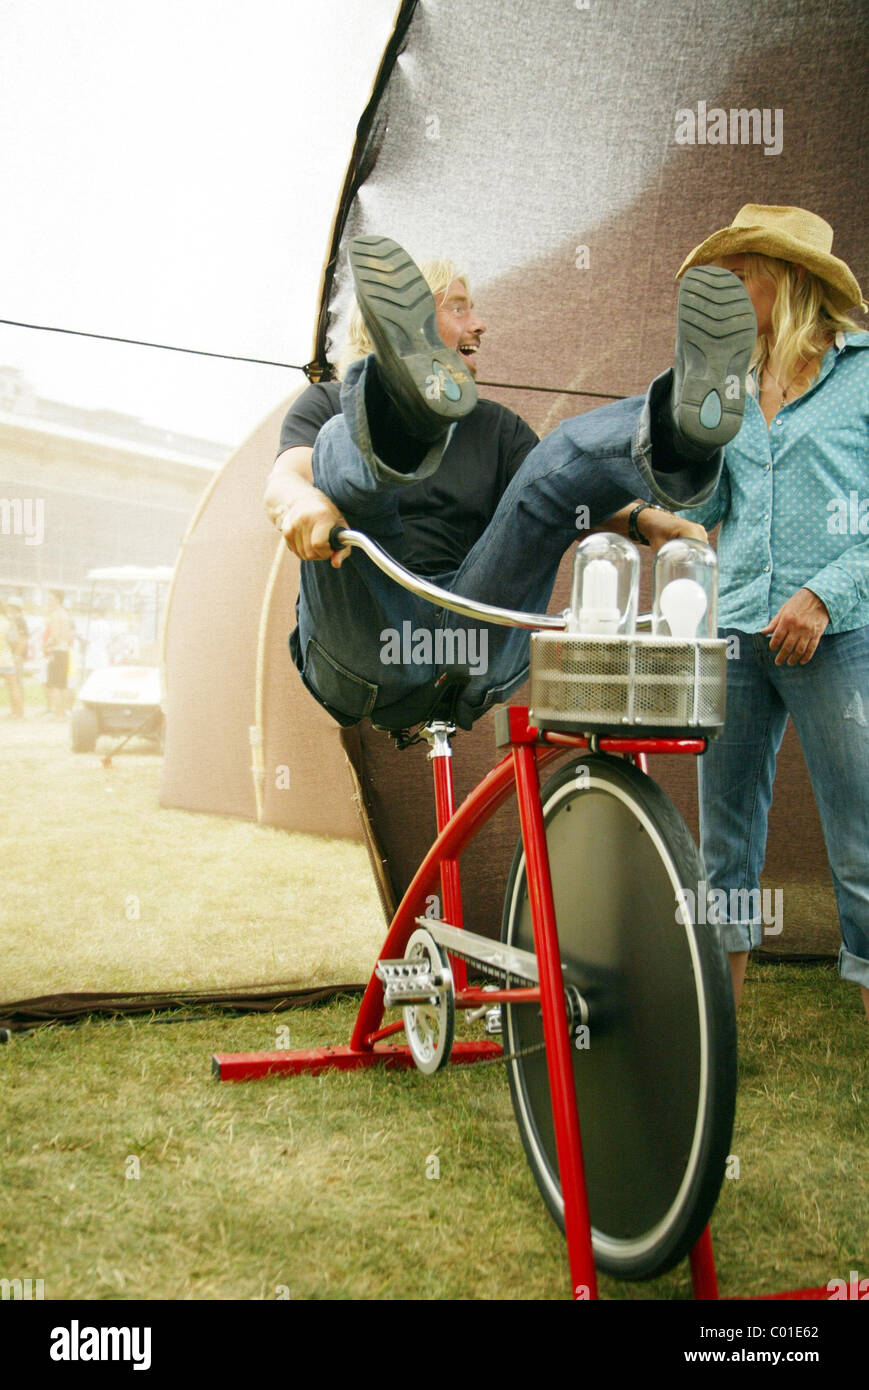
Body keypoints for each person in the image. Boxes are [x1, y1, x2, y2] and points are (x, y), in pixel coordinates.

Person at [265, 234, 755, 734]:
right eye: (458, 308)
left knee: (552, 465)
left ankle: (674, 430)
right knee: (339, 439)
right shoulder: (323, 402)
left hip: (476, 635)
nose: (480, 324)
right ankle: (393, 417)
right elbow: (285, 481)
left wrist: (647, 521)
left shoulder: (497, 428)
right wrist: (303, 506)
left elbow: (565, 497)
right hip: (368, 640)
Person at [674, 204, 869, 1021]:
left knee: (860, 840)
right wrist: (686, 444)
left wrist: (824, 595)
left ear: (783, 279)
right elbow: (713, 502)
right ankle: (716, 1033)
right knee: (724, 846)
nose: (725, 286)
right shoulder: (729, 378)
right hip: (737, 631)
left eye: (739, 270)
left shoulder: (860, 374)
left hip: (834, 637)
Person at [43, 589, 74, 719]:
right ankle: (61, 713)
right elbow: (70, 636)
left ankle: (57, 713)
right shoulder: (66, 614)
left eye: (50, 599)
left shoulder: (55, 615)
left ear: (57, 599)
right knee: (62, 684)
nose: (48, 601)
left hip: (56, 650)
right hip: (65, 650)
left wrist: (46, 645)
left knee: (54, 684)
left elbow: (54, 635)